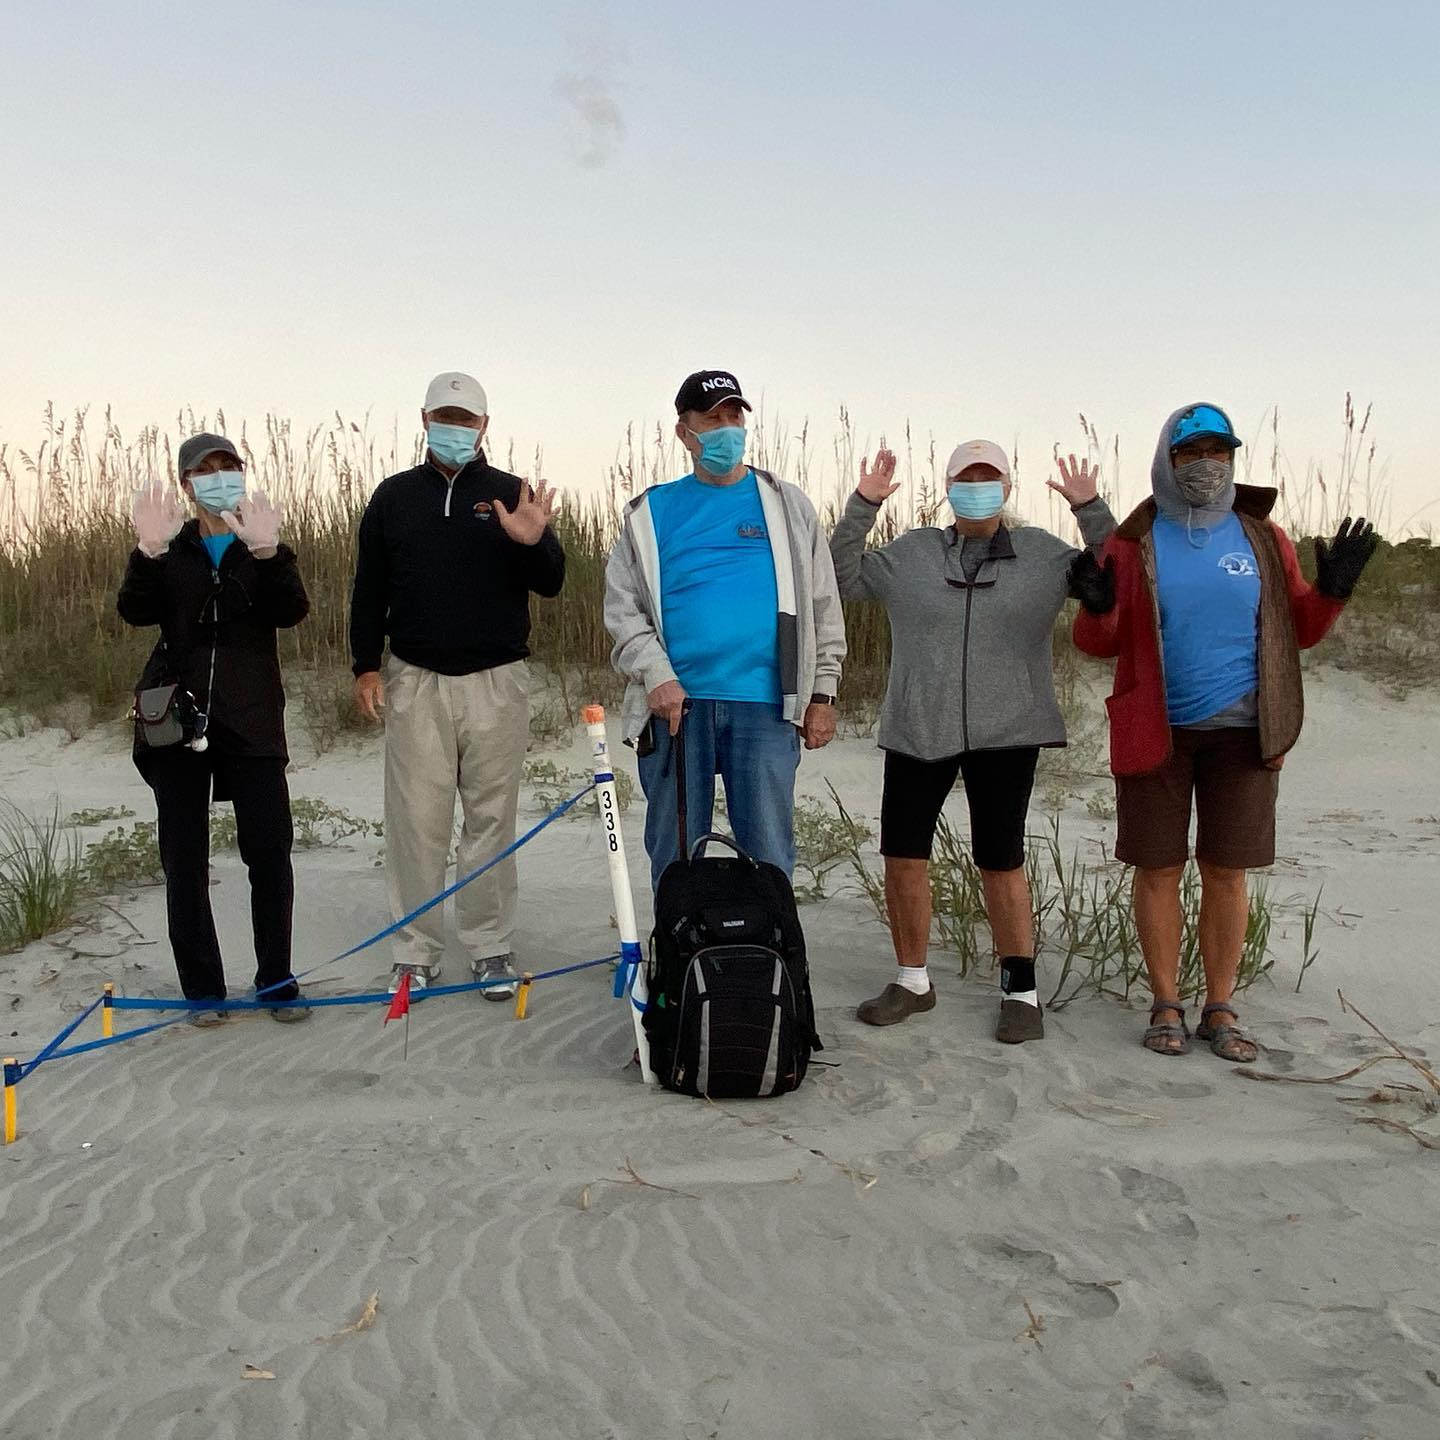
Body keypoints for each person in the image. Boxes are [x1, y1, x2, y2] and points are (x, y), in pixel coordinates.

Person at [1071, 403, 1379, 1060]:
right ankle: (1164, 1002)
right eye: (1192, 452)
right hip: (1159, 732)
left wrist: (1331, 591)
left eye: (1219, 451)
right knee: (1157, 868)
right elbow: (1097, 642)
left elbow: (1299, 627)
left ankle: (1220, 1005)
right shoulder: (1136, 540)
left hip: (1245, 734)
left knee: (1227, 871)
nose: (1207, 464)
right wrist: (1097, 608)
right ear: (1167, 458)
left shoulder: (1264, 536)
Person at [831, 439, 1115, 1041]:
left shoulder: (1041, 554)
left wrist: (1090, 510)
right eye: (967, 478)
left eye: (989, 479)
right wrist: (865, 503)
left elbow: (1118, 574)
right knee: (903, 853)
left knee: (1000, 856)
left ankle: (1021, 991)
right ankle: (912, 981)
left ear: (1007, 488)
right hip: (918, 722)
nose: (978, 488)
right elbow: (841, 576)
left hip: (1009, 729)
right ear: (949, 486)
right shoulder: (911, 554)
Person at [349, 371, 565, 997]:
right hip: (414, 678)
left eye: (466, 419)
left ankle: (490, 945)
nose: (455, 428)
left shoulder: (510, 492)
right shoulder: (393, 497)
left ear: (484, 426)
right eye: (444, 417)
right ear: (424, 420)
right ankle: (415, 950)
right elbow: (369, 589)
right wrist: (365, 664)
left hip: (497, 681)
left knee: (490, 819)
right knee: (416, 819)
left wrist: (531, 541)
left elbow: (551, 582)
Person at [604, 369, 846, 886]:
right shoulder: (651, 511)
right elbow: (622, 610)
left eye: (734, 416)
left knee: (768, 852)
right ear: (684, 432)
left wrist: (822, 693)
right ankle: (677, 956)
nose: (727, 428)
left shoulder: (786, 504)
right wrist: (655, 676)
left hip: (764, 704)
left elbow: (823, 605)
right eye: (713, 418)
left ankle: (774, 958)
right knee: (674, 851)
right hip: (675, 707)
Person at [118, 433, 311, 1025]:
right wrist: (147, 553)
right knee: (185, 856)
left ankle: (276, 980)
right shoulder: (170, 549)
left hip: (252, 716)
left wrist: (269, 554)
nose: (218, 478)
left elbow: (291, 610)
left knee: (270, 849)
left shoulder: (262, 544)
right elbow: (134, 610)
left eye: (228, 467)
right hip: (177, 715)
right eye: (205, 470)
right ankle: (203, 990)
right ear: (186, 483)